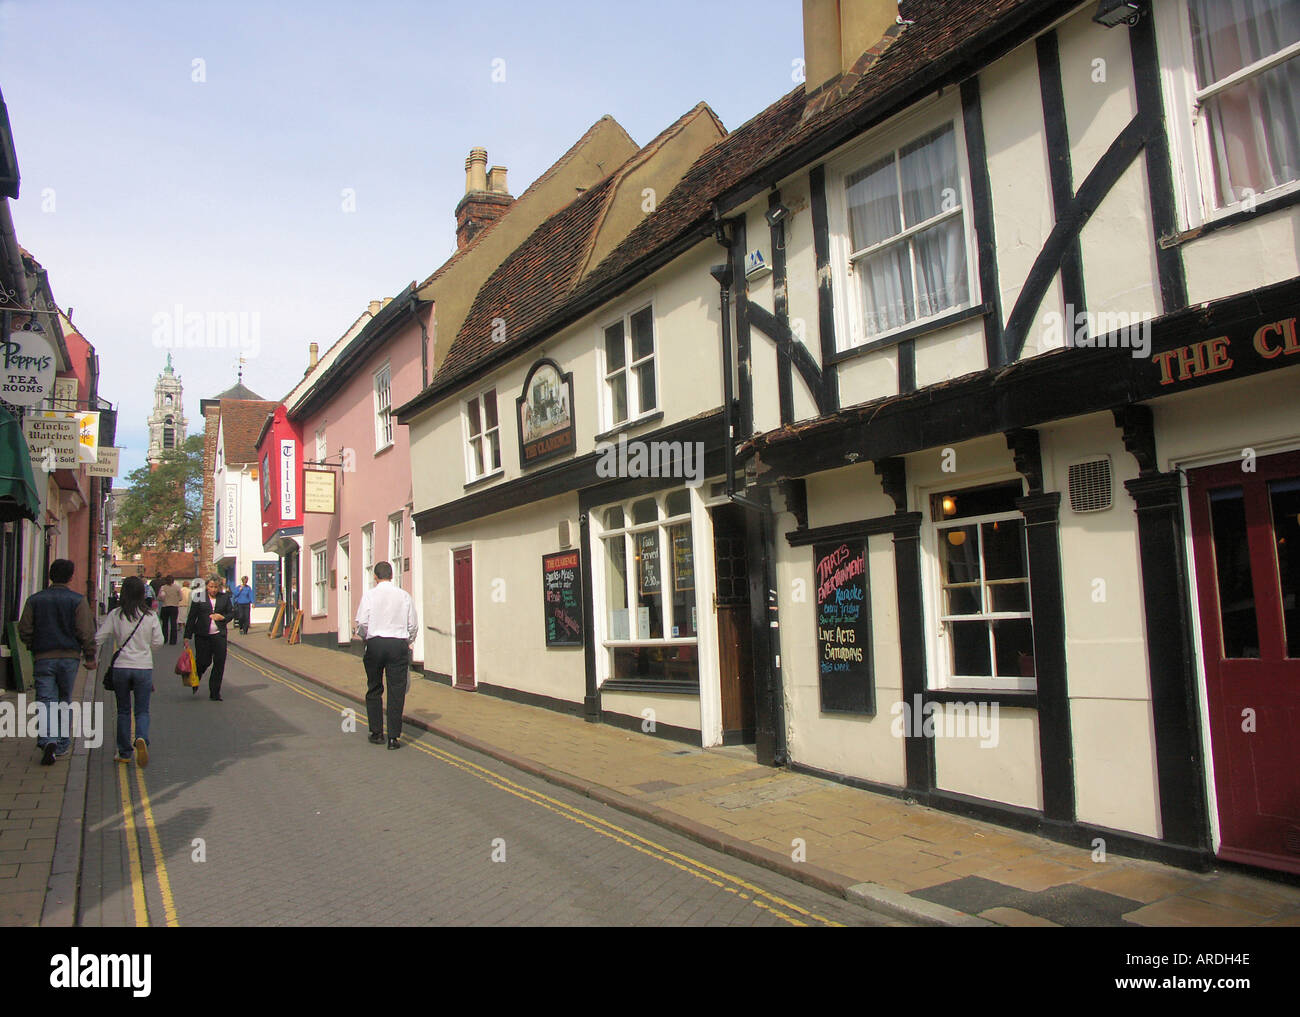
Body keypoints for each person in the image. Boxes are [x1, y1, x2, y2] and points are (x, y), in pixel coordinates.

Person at [18, 559, 97, 765]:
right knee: (64, 699)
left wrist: (32, 645)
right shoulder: (77, 601)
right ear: (71, 577)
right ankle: (61, 743)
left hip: (43, 657)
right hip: (69, 657)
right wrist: (89, 655)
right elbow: (85, 631)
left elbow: (24, 629)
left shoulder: (35, 600)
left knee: (45, 700)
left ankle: (47, 740)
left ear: (50, 575)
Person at [95, 575, 164, 766]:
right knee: (142, 711)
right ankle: (141, 738)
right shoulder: (150, 616)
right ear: (143, 594)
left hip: (121, 668)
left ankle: (124, 752)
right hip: (143, 667)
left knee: (123, 711)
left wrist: (89, 656)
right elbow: (159, 642)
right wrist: (146, 648)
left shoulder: (116, 614)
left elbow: (99, 638)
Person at [354, 561, 419, 750]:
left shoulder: (369, 596)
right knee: (396, 691)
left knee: (374, 687)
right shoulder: (404, 596)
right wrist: (406, 642)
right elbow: (413, 625)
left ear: (375, 577)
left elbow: (362, 624)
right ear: (392, 575)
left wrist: (367, 638)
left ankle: (376, 732)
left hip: (375, 644)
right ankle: (393, 738)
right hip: (398, 644)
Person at [184, 577, 233, 700]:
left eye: (216, 587)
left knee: (219, 663)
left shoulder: (224, 597)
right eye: (211, 586)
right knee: (203, 662)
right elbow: (192, 617)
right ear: (207, 586)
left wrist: (223, 617)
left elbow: (231, 613)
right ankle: (196, 678)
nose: (213, 589)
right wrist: (187, 636)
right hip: (202, 635)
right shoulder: (199, 597)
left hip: (219, 635)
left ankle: (215, 692)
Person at [158, 575, 184, 645]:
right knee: (173, 624)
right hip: (174, 607)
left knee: (165, 624)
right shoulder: (177, 588)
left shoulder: (163, 588)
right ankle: (173, 641)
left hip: (165, 606)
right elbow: (181, 598)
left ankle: (165, 639)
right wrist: (175, 599)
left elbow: (159, 598)